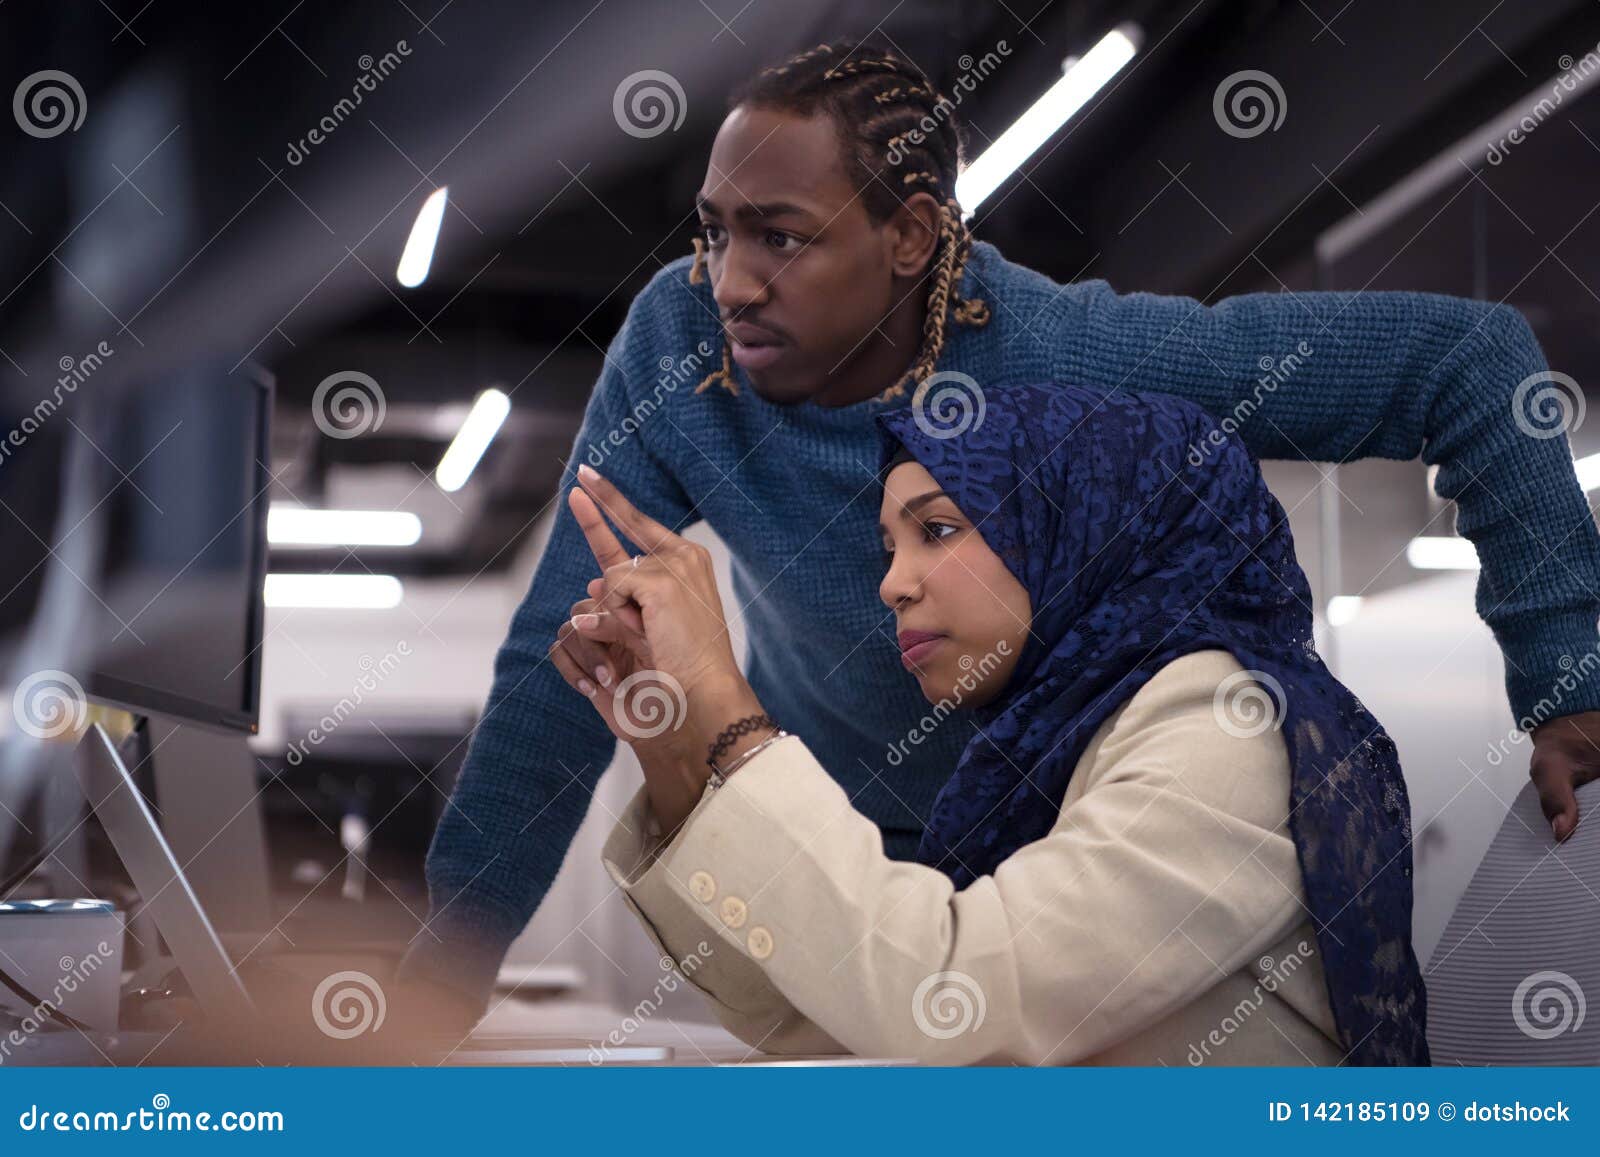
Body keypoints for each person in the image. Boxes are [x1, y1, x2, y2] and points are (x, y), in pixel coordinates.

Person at [398, 41, 1600, 1025]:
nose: (728, 281)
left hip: (1064, 828)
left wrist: (1566, 674)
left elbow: (1467, 361)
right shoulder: (681, 351)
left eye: (780, 235)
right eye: (711, 231)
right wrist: (440, 984)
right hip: (828, 824)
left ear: (912, 238)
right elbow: (559, 666)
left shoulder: (1069, 359)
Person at [552, 383, 1427, 1065]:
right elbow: (819, 1016)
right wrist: (672, 746)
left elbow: (943, 1001)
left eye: (937, 530)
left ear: (1084, 524)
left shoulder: (1225, 723)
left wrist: (722, 698)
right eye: (891, 548)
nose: (894, 583)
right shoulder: (1048, 744)